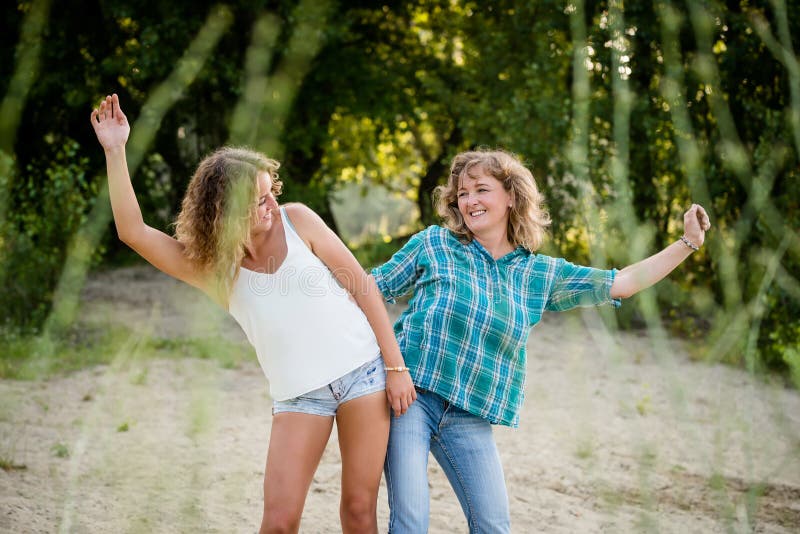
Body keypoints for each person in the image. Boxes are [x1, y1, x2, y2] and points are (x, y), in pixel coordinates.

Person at [90, 93, 416, 534]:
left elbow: (362, 287)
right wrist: (115, 150)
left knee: (359, 512)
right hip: (300, 396)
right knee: (279, 522)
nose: (272, 205)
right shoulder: (212, 268)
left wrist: (394, 366)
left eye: (270, 192)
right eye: (258, 201)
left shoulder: (299, 220)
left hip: (364, 375)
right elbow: (133, 231)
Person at [371, 148, 711, 533]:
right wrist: (394, 367)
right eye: (462, 193)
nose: (470, 201)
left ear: (511, 197)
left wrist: (688, 242)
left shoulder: (538, 275)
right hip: (410, 397)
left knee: (494, 527)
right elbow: (368, 290)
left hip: (469, 414)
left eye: (481, 189)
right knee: (411, 522)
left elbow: (623, 282)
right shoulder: (435, 244)